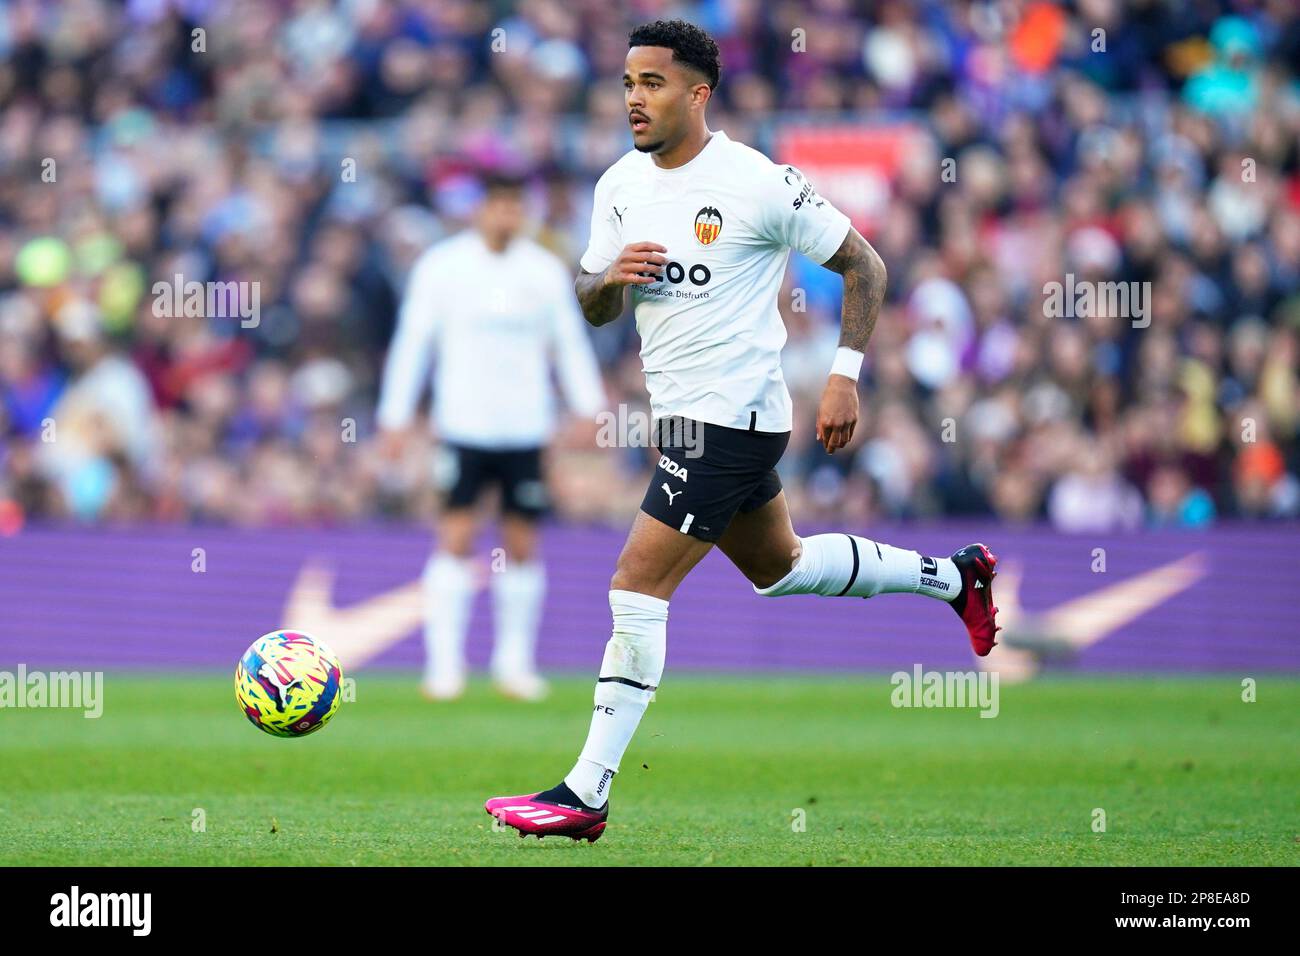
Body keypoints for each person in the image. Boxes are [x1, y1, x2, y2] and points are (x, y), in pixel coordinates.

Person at [485, 20, 999, 841]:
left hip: (728, 421)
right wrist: (607, 279)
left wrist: (844, 375)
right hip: (681, 418)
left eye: (652, 83)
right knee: (781, 567)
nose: (633, 100)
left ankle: (586, 792)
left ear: (698, 93)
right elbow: (591, 304)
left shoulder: (758, 183)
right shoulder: (619, 185)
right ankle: (955, 577)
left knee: (634, 586)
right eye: (626, 83)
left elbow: (865, 265)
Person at [377, 172, 606, 702]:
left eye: (515, 207)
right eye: (498, 206)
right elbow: (414, 343)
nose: (507, 217)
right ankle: (445, 665)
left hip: (526, 426)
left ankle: (514, 664)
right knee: (455, 535)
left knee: (522, 542)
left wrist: (589, 406)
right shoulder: (443, 267)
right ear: (481, 210)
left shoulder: (544, 271)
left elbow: (568, 343)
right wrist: (395, 414)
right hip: (464, 425)